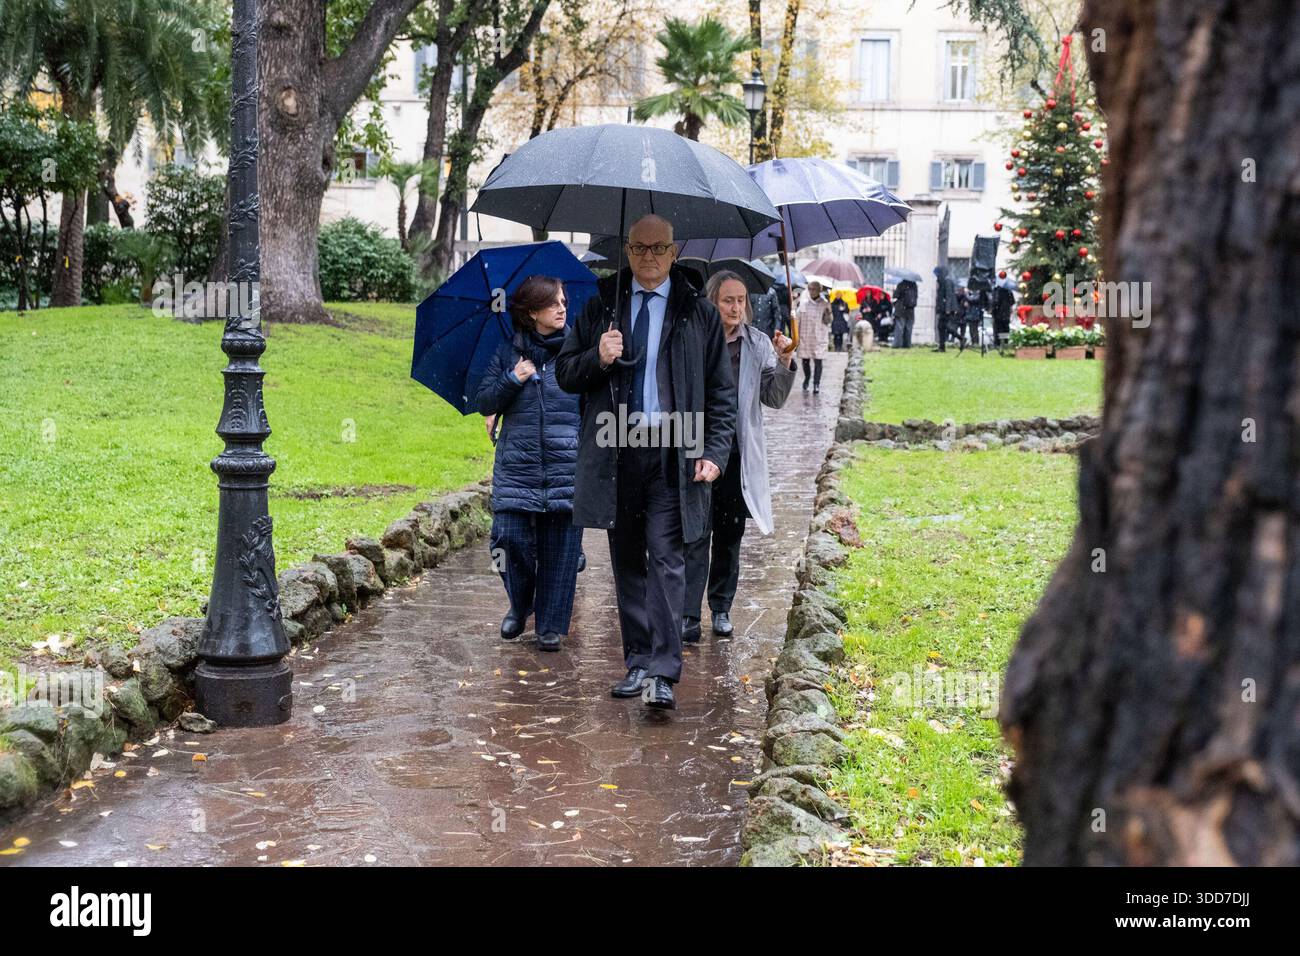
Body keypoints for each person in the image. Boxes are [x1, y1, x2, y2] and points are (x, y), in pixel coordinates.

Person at [555, 213, 736, 711]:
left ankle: (663, 670)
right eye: (639, 247)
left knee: (668, 557)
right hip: (617, 450)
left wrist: (715, 452)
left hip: (675, 452)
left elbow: (721, 392)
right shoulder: (600, 306)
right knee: (627, 560)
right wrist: (598, 355)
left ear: (675, 252)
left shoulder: (697, 312)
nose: (649, 257)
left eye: (659, 248)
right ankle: (636, 660)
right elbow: (566, 373)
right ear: (627, 250)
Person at [682, 272, 796, 643]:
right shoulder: (693, 338)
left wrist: (783, 361)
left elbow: (774, 397)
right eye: (728, 300)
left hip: (737, 454)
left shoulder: (757, 342)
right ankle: (687, 613)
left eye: (741, 300)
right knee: (695, 534)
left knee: (730, 535)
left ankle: (721, 608)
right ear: (712, 301)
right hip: (698, 451)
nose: (736, 307)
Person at [474, 276, 583, 652]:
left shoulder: (575, 352)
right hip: (517, 468)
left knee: (561, 547)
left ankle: (551, 623)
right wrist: (512, 378)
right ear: (531, 311)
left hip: (566, 464)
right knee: (508, 540)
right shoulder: (508, 353)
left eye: (564, 301)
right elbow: (485, 400)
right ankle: (521, 605)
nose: (562, 308)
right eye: (553, 303)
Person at [795, 280, 832, 393]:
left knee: (818, 361)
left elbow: (828, 321)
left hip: (819, 336)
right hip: (805, 335)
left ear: (820, 290)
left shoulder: (825, 303)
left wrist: (828, 313)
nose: (811, 291)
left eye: (814, 289)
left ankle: (816, 384)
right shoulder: (803, 303)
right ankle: (807, 378)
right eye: (809, 288)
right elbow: (797, 319)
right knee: (805, 360)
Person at [933, 266, 957, 352]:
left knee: (944, 327)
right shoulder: (943, 281)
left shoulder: (947, 281)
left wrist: (947, 309)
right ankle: (941, 346)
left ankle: (960, 338)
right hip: (943, 308)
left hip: (946, 309)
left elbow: (948, 296)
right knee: (942, 327)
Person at [892, 278, 917, 348]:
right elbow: (916, 297)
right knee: (908, 328)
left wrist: (894, 292)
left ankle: (897, 344)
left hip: (901, 309)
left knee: (899, 328)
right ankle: (907, 344)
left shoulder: (901, 284)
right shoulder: (914, 285)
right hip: (910, 310)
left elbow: (895, 295)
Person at [992, 282, 1015, 346]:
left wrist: (993, 310)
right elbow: (1012, 302)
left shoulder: (996, 291)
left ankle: (997, 343)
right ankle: (1005, 342)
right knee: (1005, 328)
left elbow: (995, 302)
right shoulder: (1009, 291)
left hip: (998, 313)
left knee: (998, 329)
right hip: (1006, 314)